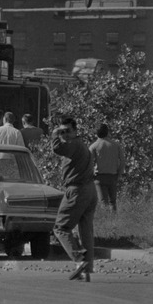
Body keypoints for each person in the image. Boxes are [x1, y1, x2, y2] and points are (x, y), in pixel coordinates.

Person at [50, 117, 98, 282]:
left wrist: (55, 135)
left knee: (61, 228)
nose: (65, 135)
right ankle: (85, 269)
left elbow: (57, 148)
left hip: (77, 190)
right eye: (62, 131)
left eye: (68, 131)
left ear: (76, 131)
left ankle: (79, 260)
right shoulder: (81, 145)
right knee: (85, 231)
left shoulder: (74, 145)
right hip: (90, 190)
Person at [89, 123, 126, 211]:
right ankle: (113, 221)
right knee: (113, 202)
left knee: (103, 202)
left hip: (100, 177)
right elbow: (122, 160)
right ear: (107, 132)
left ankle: (106, 221)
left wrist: (91, 174)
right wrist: (119, 173)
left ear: (96, 133)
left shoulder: (94, 146)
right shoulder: (116, 145)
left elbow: (89, 162)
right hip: (113, 176)